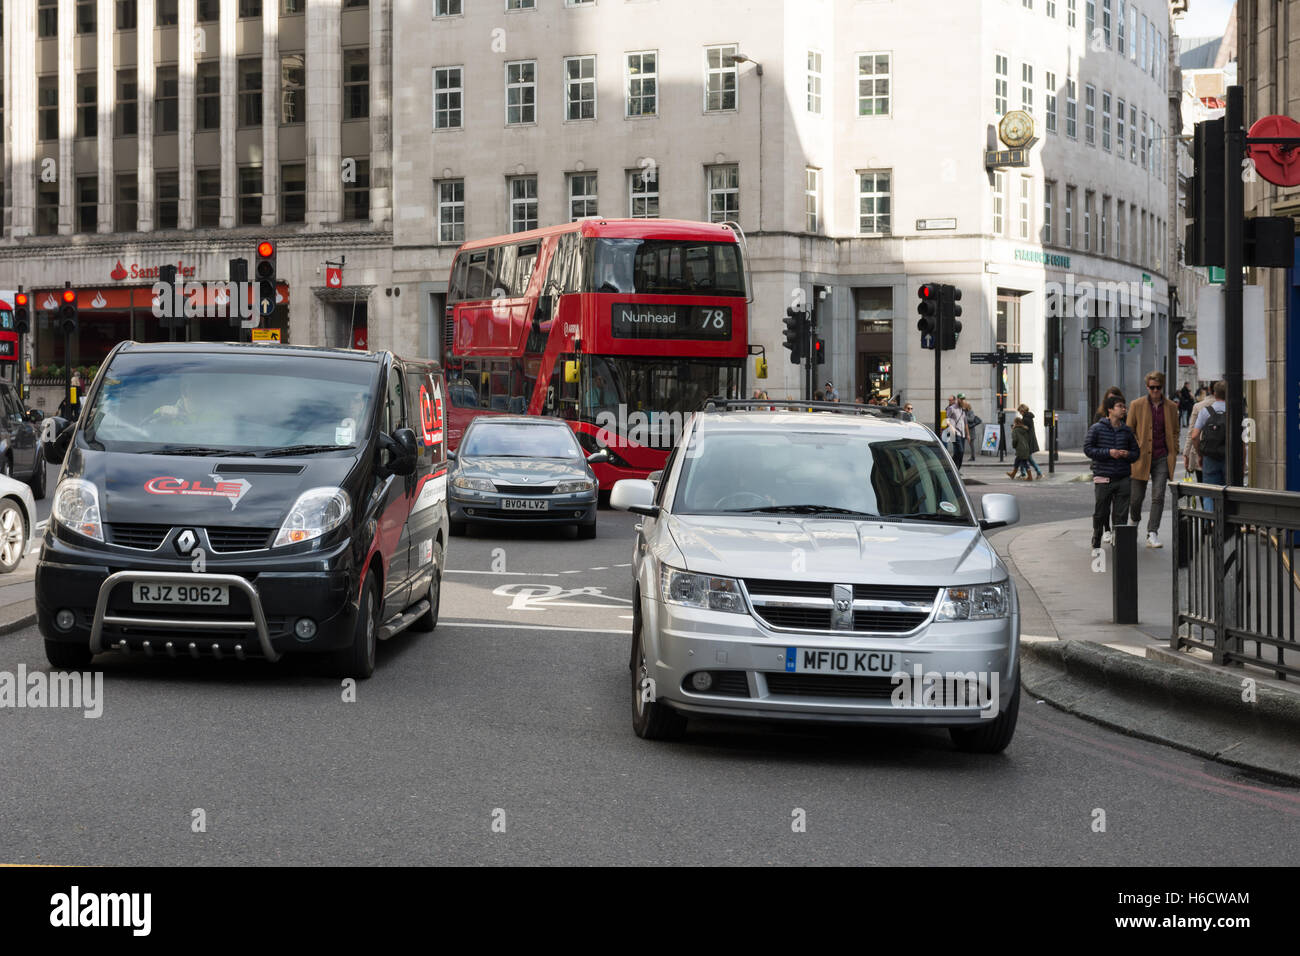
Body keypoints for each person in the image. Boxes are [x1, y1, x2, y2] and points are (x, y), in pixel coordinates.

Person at [1126, 370, 1180, 549]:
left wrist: (1175, 448)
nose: (1155, 391)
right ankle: (1134, 522)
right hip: (1140, 457)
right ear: (1147, 387)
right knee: (1136, 498)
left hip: (1162, 456)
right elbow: (1129, 430)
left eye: (1158, 387)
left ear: (1162, 387)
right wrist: (1135, 446)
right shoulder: (1137, 405)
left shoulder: (1171, 407)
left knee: (1158, 496)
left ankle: (1152, 532)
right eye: (1152, 388)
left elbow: (1175, 431)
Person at [1084, 393, 1139, 549]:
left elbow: (1136, 453)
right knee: (1101, 511)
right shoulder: (1096, 428)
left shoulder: (1127, 431)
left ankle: (1119, 542)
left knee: (1121, 513)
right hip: (1103, 476)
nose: (1124, 409)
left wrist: (1128, 454)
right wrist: (1109, 453)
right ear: (1110, 409)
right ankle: (1097, 535)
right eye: (1120, 406)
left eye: (1124, 406)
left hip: (1123, 477)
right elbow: (1088, 449)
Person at [1092, 386, 1126, 543]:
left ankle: (1117, 531)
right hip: (1103, 468)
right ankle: (1105, 529)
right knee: (1103, 503)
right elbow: (1091, 445)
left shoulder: (1124, 421)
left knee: (1119, 504)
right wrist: (1107, 453)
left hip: (1120, 468)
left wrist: (1128, 454)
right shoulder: (1099, 418)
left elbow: (1133, 445)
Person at [1189, 381, 1228, 487]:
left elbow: (1194, 436)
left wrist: (1200, 454)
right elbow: (1241, 442)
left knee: (1209, 493)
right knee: (1230, 493)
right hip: (1229, 457)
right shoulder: (1234, 411)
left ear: (1214, 393)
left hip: (1210, 457)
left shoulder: (1205, 411)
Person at [1183, 383, 1218, 483]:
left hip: (1202, 454)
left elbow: (1191, 433)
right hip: (1223, 455)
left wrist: (1186, 454)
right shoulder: (1230, 406)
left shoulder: (1198, 406)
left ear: (1209, 389)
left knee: (1204, 490)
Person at [1017, 402, 1043, 478]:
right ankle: (1023, 473)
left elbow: (1024, 430)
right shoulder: (1028, 417)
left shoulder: (1026, 419)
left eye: (1020, 412)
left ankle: (1039, 472)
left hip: (1028, 442)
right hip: (1028, 441)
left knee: (1029, 459)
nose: (1020, 413)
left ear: (1023, 411)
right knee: (1022, 458)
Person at [946, 396, 968, 470]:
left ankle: (955, 469)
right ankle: (955, 468)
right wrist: (951, 427)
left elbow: (965, 422)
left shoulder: (962, 409)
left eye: (951, 400)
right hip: (953, 432)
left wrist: (967, 434)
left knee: (958, 452)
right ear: (958, 400)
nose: (949, 401)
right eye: (949, 400)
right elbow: (946, 420)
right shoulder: (951, 408)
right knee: (960, 450)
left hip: (962, 433)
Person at [1010, 415, 1033, 481]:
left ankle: (1030, 477)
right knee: (1017, 460)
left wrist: (1014, 446)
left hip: (1020, 448)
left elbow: (1015, 440)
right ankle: (1013, 474)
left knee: (1024, 462)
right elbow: (1027, 438)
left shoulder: (1015, 430)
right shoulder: (1025, 429)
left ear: (1015, 422)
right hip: (1026, 448)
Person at [960, 396, 979, 462]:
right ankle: (961, 456)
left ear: (967, 406)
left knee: (971, 445)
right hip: (964, 430)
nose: (963, 406)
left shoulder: (971, 411)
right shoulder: (963, 411)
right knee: (961, 444)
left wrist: (965, 417)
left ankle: (973, 457)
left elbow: (971, 419)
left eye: (964, 405)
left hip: (970, 431)